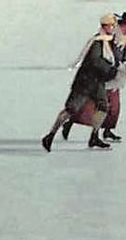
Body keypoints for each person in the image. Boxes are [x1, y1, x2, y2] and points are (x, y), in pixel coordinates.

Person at [41, 16, 119, 151]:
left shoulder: (109, 41)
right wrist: (110, 69)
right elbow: (96, 61)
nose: (113, 28)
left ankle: (94, 137)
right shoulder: (97, 42)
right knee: (71, 109)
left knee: (103, 107)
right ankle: (50, 135)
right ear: (105, 26)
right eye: (111, 26)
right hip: (86, 82)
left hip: (97, 81)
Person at [62, 12, 126, 143]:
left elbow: (125, 52)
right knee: (91, 106)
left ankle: (106, 131)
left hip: (114, 76)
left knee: (114, 107)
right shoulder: (111, 34)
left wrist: (124, 66)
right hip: (104, 75)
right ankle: (73, 124)